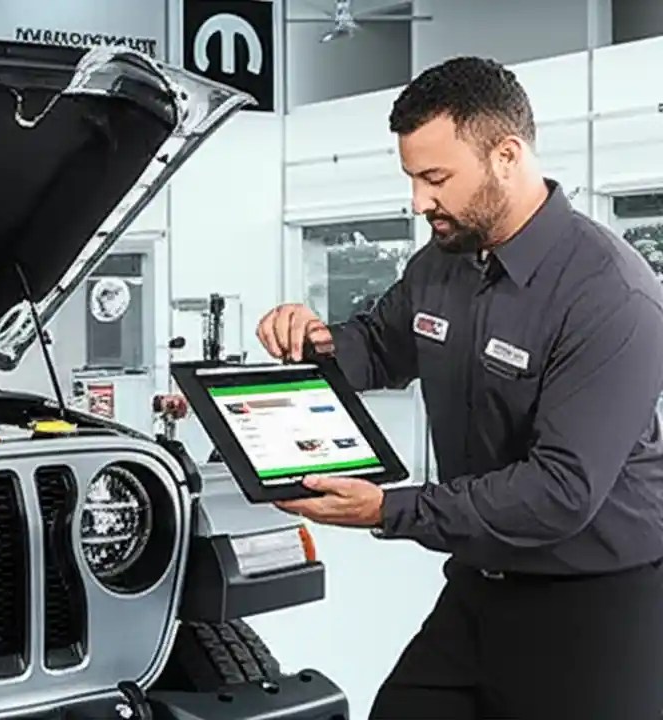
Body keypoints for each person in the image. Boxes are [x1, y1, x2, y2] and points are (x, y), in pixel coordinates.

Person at [256, 56, 663, 720]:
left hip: (596, 607)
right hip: (477, 589)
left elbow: (560, 493)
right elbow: (380, 346)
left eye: (435, 178)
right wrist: (315, 340)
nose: (419, 201)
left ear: (506, 156)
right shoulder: (440, 265)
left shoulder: (609, 295)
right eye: (412, 178)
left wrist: (388, 510)